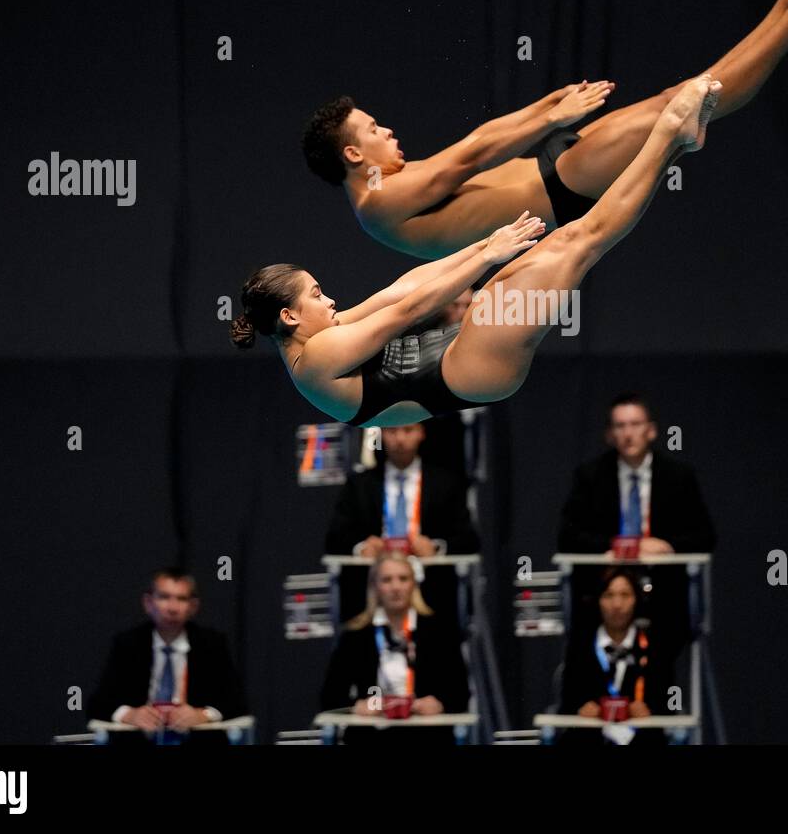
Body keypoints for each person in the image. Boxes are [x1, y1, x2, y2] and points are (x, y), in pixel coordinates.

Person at [299, 0, 788, 259]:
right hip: (561, 188)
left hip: (557, 168)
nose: (387, 131)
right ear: (351, 154)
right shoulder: (377, 203)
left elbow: (480, 144)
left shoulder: (388, 185)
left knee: (678, 99)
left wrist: (547, 110)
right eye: (372, 129)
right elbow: (468, 155)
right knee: (687, 102)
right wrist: (547, 119)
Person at [231, 74, 724, 425]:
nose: (330, 300)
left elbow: (400, 287)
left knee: (565, 246)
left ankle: (677, 144)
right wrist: (485, 256)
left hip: (464, 350)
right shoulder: (315, 358)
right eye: (316, 296)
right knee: (576, 241)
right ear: (291, 317)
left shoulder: (326, 336)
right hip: (468, 369)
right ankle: (667, 138)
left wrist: (483, 246)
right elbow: (410, 308)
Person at [558, 393, 716, 654]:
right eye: (620, 426)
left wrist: (666, 545)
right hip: (606, 588)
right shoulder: (590, 476)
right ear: (609, 435)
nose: (628, 433)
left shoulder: (678, 476)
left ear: (651, 431)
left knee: (665, 647)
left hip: (664, 591)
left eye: (635, 424)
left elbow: (705, 536)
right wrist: (614, 546)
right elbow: (567, 536)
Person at [327, 422, 478, 621]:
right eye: (392, 430)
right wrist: (361, 548)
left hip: (434, 591)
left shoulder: (446, 482)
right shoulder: (360, 484)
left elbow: (469, 538)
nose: (399, 439)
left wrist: (436, 547)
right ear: (381, 434)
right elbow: (334, 537)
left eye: (407, 430)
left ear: (421, 433)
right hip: (371, 591)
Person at [318, 552, 470, 745]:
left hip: (427, 736)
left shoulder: (440, 632)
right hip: (372, 737)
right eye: (387, 580)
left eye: (403, 579)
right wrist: (356, 707)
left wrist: (440, 704)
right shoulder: (356, 635)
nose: (396, 587)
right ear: (375, 587)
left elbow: (461, 693)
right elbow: (329, 696)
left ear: (414, 584)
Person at [88, 568, 247, 738]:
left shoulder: (211, 644)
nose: (173, 608)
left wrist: (202, 715)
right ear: (148, 603)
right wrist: (130, 715)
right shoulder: (128, 644)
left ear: (193, 606)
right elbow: (98, 704)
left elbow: (236, 703)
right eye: (164, 597)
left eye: (182, 599)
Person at [559, 568, 675, 746]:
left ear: (637, 600)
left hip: (642, 739)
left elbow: (671, 705)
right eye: (608, 595)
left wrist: (650, 711)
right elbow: (565, 705)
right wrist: (581, 710)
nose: (617, 604)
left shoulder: (654, 648)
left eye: (625, 595)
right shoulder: (580, 648)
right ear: (598, 600)